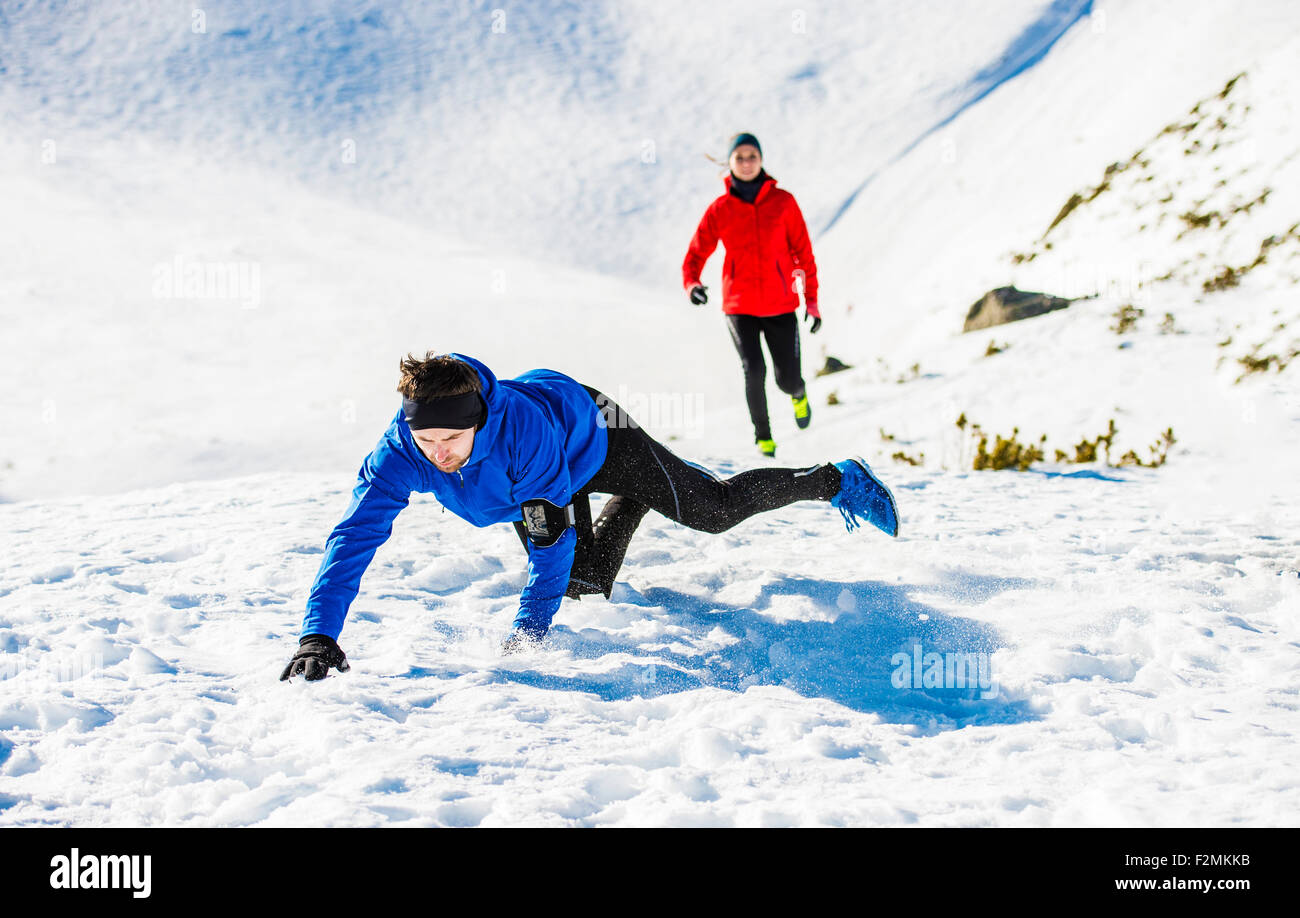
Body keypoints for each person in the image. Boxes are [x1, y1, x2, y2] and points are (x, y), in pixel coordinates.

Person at [280, 351, 898, 681]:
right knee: (586, 583)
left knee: (713, 511)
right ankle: (636, 504)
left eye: (453, 439)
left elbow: (548, 548)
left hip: (598, 435)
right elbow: (354, 536)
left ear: (480, 421)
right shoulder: (400, 454)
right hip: (541, 470)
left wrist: (527, 636)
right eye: (427, 443)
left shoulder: (519, 437)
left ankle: (834, 480)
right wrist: (319, 634)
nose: (439, 456)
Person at [682, 132, 821, 459]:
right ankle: (764, 439)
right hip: (739, 306)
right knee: (753, 369)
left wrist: (811, 301)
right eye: (740, 157)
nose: (746, 163)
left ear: (761, 160)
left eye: (752, 156)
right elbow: (695, 254)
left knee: (786, 379)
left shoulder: (783, 202)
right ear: (730, 163)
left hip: (780, 305)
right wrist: (693, 284)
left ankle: (798, 393)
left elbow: (804, 254)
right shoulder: (721, 209)